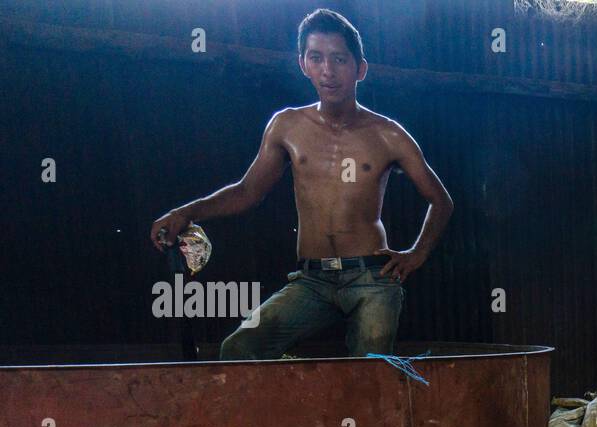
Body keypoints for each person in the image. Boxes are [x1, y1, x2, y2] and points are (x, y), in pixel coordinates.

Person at [149, 8, 453, 359]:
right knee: (240, 349)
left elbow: (440, 200)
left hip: (371, 278)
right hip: (312, 280)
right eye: (317, 58)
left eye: (339, 59)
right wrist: (186, 211)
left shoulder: (389, 135)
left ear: (360, 68)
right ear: (303, 64)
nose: (328, 70)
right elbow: (248, 191)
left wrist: (417, 254)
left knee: (369, 372)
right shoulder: (286, 126)